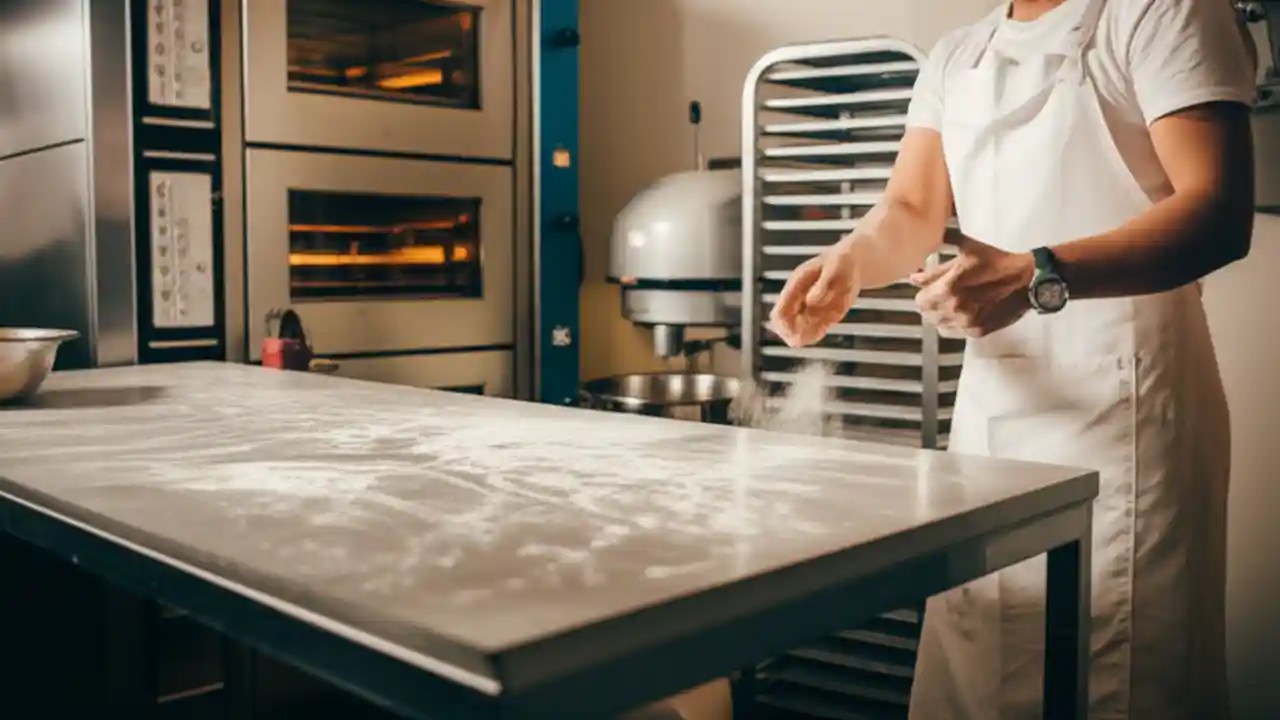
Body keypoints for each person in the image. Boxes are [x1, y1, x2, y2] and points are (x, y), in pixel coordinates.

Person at [769, 0, 1258, 717]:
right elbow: (911, 208)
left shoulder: (1161, 10)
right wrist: (851, 260)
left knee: (1114, 678)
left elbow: (1216, 211)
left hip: (1126, 418)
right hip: (996, 413)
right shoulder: (959, 53)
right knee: (979, 665)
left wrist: (1038, 275)